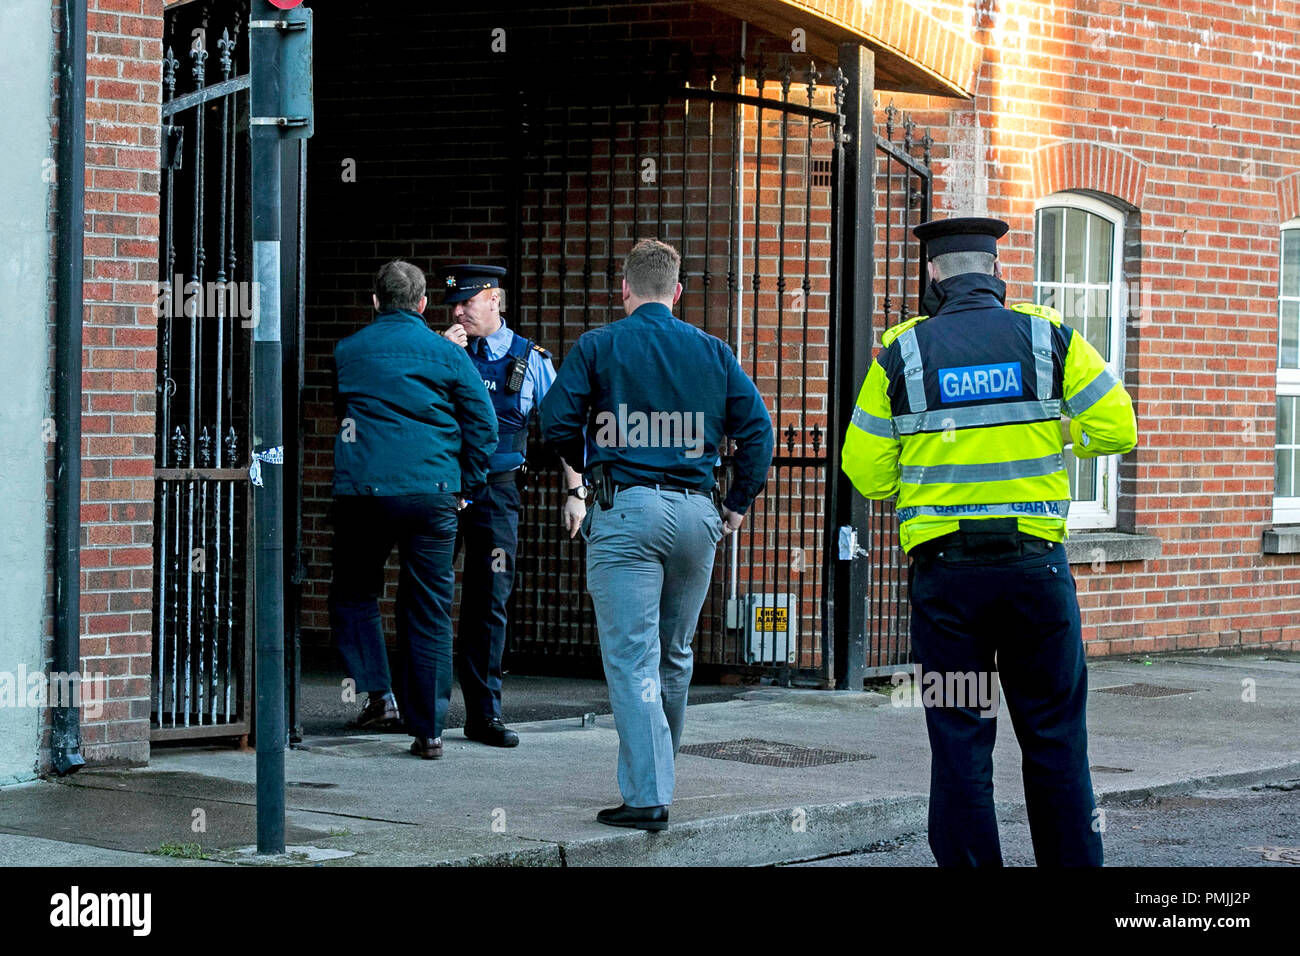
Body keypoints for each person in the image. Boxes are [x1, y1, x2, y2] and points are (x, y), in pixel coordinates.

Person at [841, 216, 1138, 866]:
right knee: (1056, 739)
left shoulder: (903, 353)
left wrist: (920, 468)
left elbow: (865, 471)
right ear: (996, 272)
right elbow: (1119, 429)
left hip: (950, 588)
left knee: (960, 744)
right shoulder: (1047, 336)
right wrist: (1061, 435)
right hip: (1036, 577)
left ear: (931, 276)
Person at [540, 238, 774, 831]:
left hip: (627, 509)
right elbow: (760, 433)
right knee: (674, 655)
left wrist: (590, 467)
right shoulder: (713, 352)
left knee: (632, 659)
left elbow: (555, 421)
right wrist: (737, 505)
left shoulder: (599, 346)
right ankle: (657, 780)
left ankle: (648, 796)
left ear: (624, 289)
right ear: (676, 291)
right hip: (699, 513)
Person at [329, 260, 498, 760]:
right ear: (424, 304)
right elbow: (483, 424)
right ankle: (429, 732)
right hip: (434, 494)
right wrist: (467, 487)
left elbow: (345, 413)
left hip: (364, 494)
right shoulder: (446, 354)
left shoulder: (348, 352)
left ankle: (378, 693)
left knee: (353, 593)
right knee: (427, 608)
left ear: (375, 301)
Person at [438, 264, 586, 748]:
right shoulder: (442, 350)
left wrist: (575, 492)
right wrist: (445, 359)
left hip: (497, 491)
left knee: (489, 599)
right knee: (428, 598)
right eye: (453, 303)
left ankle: (484, 714)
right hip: (442, 485)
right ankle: (425, 712)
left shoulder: (530, 359)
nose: (458, 310)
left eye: (467, 301)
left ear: (494, 300)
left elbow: (565, 427)